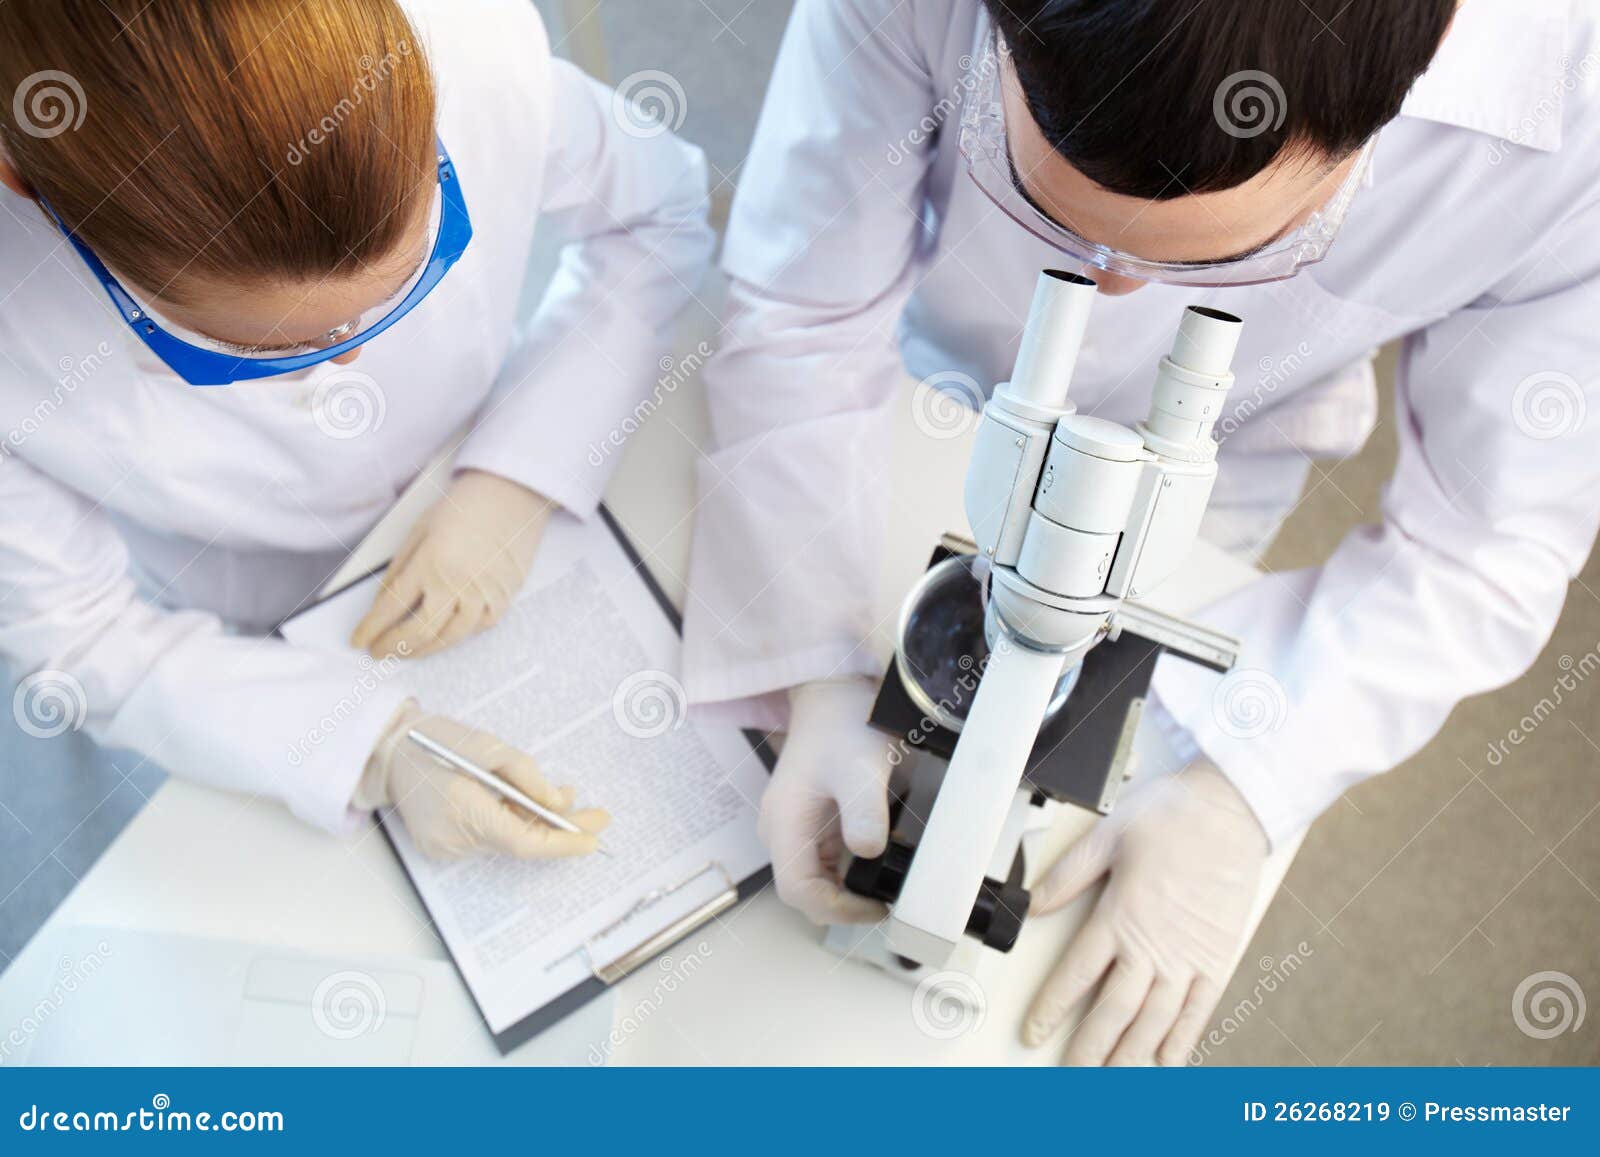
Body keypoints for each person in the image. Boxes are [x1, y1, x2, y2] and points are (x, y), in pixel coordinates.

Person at [684, 0, 1600, 1064]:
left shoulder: (1573, 115)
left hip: (1219, 474)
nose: (1110, 287)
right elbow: (803, 315)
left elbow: (1483, 545)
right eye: (1045, 210)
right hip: (930, 397)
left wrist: (1244, 781)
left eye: (1218, 265)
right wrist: (814, 663)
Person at [0, 0, 712, 860]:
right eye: (259, 350)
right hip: (261, 597)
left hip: (499, 448)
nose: (349, 364)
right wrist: (377, 747)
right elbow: (80, 634)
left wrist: (520, 474)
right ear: (22, 179)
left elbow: (659, 214)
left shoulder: (470, 44)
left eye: (405, 281)